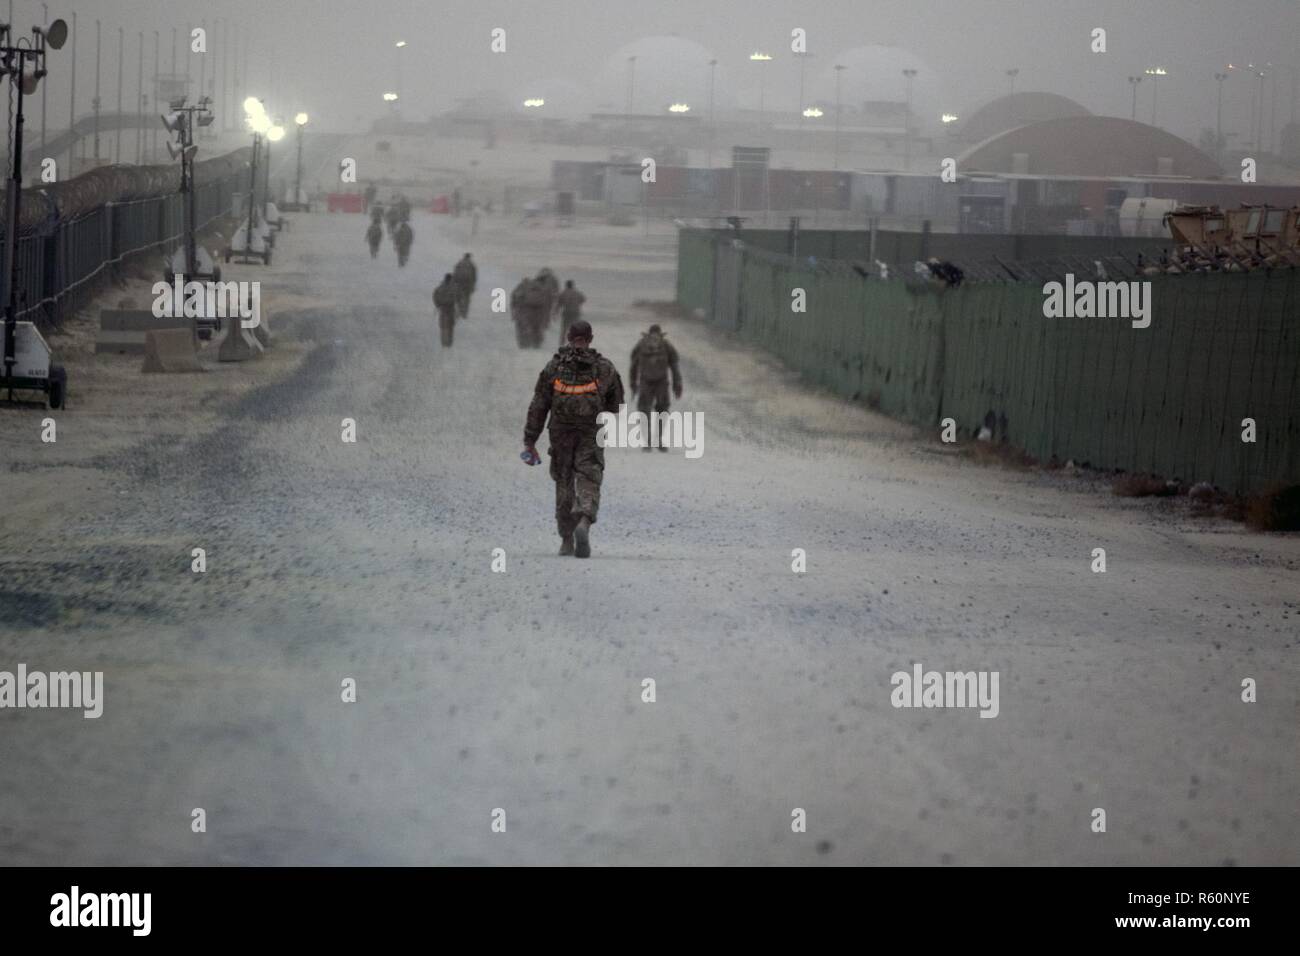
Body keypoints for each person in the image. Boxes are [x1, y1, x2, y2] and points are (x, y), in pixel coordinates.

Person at [523, 320, 624, 558]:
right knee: (589, 478)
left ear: (568, 337)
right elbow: (616, 404)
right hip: (591, 433)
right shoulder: (604, 367)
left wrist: (530, 440)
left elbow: (539, 404)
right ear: (590, 338)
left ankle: (566, 540)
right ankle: (584, 523)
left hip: (560, 433)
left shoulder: (554, 367)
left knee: (564, 483)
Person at [628, 324, 682, 452]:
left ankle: (647, 441)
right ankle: (659, 440)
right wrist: (677, 384)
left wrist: (633, 384)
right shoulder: (666, 345)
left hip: (645, 382)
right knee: (662, 410)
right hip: (662, 382)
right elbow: (674, 367)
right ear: (660, 333)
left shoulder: (641, 344)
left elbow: (633, 366)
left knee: (644, 411)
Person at [555, 280, 587, 346]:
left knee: (564, 329)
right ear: (572, 285)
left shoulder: (563, 293)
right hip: (575, 313)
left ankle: (561, 344)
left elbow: (559, 304)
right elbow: (583, 299)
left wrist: (556, 312)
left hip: (566, 312)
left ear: (566, 285)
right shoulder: (577, 293)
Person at [433, 274, 457, 347]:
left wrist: (437, 305)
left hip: (443, 309)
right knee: (450, 326)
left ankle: (443, 341)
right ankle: (449, 342)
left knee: (443, 326)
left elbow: (435, 296)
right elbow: (457, 297)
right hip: (450, 308)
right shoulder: (453, 288)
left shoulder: (440, 288)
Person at [452, 253, 477, 319]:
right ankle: (464, 313)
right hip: (467, 285)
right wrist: (473, 286)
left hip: (459, 284)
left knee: (458, 297)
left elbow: (454, 274)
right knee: (466, 299)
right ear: (469, 257)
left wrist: (453, 284)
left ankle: (459, 310)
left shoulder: (459, 264)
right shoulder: (472, 265)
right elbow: (474, 277)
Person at [510, 276, 532, 348]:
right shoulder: (531, 290)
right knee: (526, 328)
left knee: (520, 328)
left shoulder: (518, 289)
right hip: (527, 312)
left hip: (519, 312)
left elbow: (513, 302)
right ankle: (526, 343)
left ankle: (522, 343)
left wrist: (513, 313)